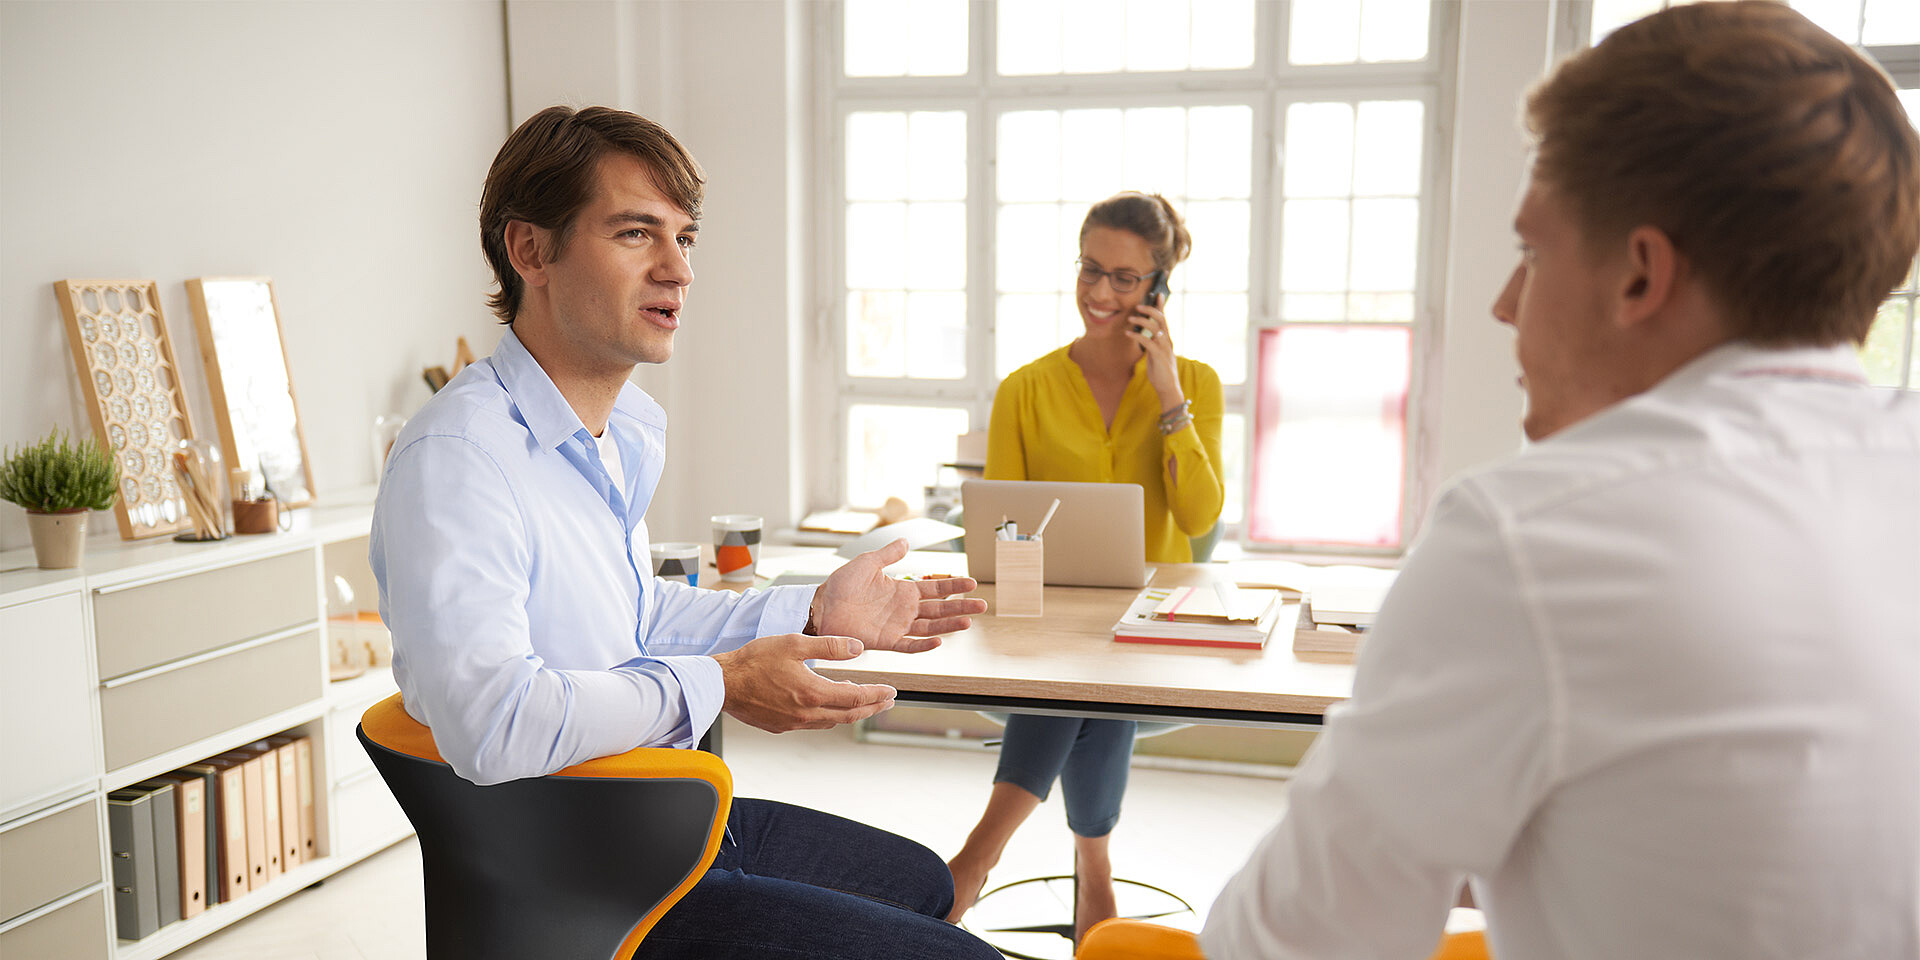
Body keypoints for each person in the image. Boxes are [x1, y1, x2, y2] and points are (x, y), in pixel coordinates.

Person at [1197, 3, 1920, 957]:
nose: (1503, 303)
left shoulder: (1537, 537)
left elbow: (1285, 946)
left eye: (1532, 252)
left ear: (1640, 275)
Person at [370, 105, 999, 960]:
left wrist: (812, 614)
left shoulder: (620, 428)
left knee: (921, 883)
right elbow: (495, 722)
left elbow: (638, 617)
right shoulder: (461, 457)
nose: (679, 269)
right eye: (636, 233)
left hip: (651, 811)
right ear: (530, 251)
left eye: (685, 237)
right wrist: (717, 685)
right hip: (578, 873)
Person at [946, 192, 1225, 939]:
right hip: (1048, 628)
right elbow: (1001, 532)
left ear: (1159, 288)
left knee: (1089, 677)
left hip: (1154, 634)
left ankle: (975, 859)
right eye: (1090, 270)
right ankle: (1093, 876)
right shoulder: (1026, 389)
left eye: (1126, 279)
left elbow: (1199, 517)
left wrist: (1169, 397)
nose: (1101, 294)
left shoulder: (1193, 385)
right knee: (1076, 675)